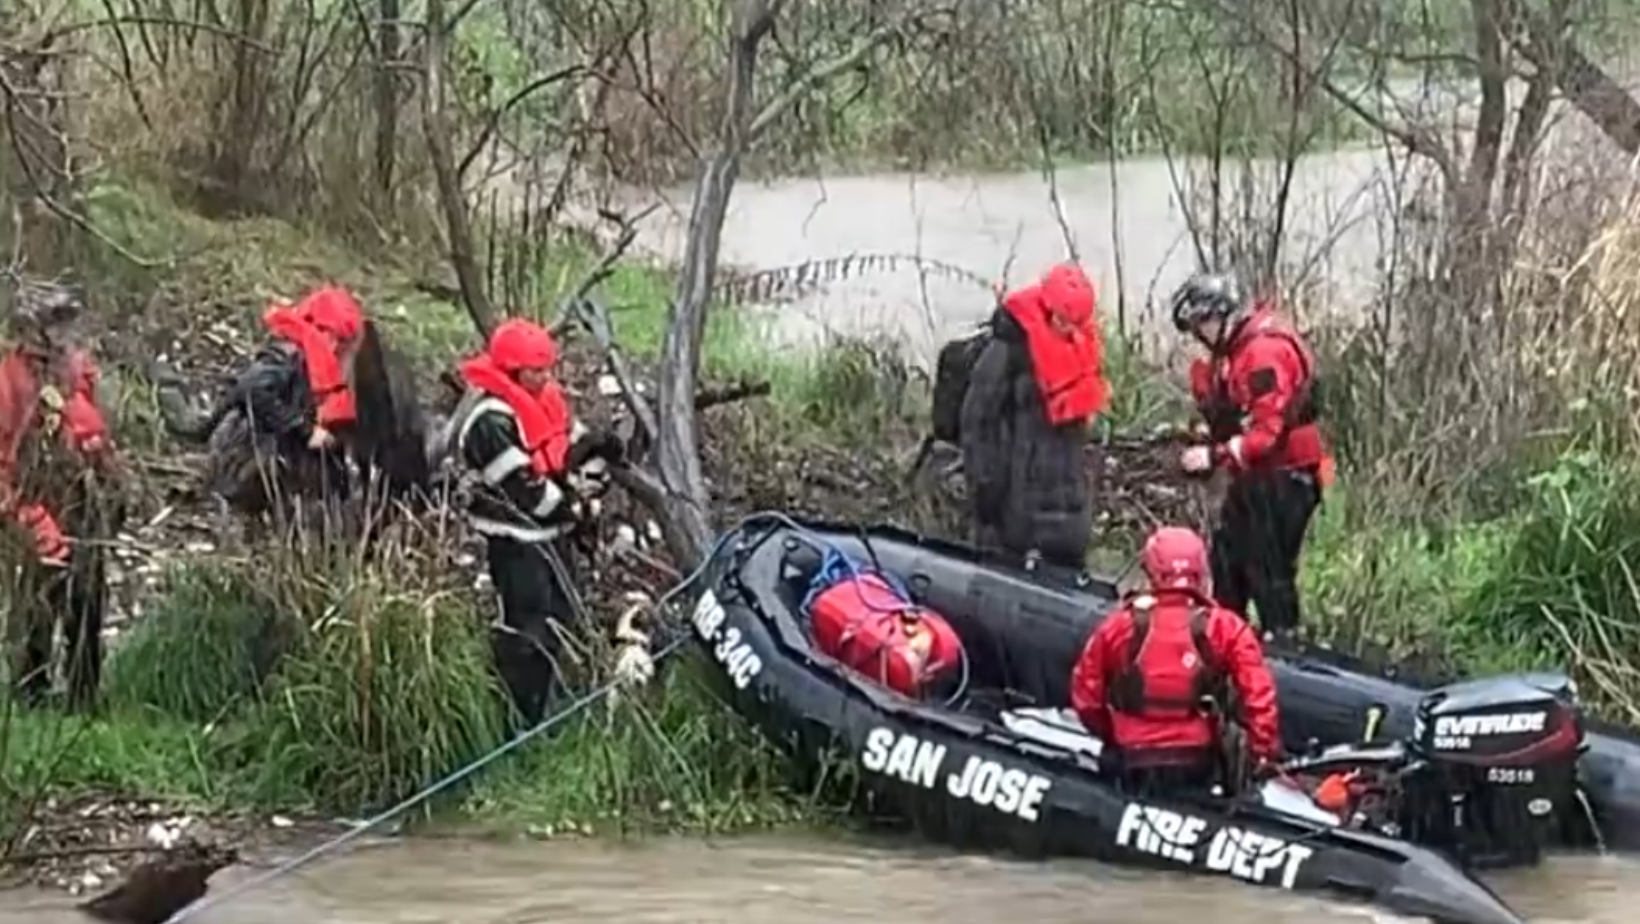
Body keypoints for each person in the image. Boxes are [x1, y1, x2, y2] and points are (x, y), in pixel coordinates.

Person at [452, 318, 623, 726]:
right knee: (526, 630)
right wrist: (578, 510)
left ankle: (543, 706)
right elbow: (526, 492)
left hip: (552, 535)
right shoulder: (490, 423)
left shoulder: (546, 401)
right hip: (516, 540)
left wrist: (597, 464)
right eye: (536, 371)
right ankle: (516, 719)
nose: (546, 377)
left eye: (548, 369)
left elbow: (571, 449)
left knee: (559, 619)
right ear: (513, 370)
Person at [1170, 271, 1331, 637]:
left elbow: (1266, 437)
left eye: (1201, 325)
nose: (1199, 336)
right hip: (1258, 477)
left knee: (1268, 571)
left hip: (1285, 477)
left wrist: (1213, 457)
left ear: (1222, 315)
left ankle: (1285, 651)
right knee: (1228, 565)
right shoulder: (1238, 349)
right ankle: (1228, 645)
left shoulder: (1263, 354)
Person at [1070, 526, 1281, 794]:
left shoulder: (1118, 627)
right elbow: (1260, 697)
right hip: (1196, 763)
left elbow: (1086, 696)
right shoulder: (1226, 628)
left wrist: (1111, 731)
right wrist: (1259, 754)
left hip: (1130, 759)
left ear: (1150, 572)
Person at [0, 278, 123, 710]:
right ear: (34, 329)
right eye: (58, 323)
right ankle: (30, 695)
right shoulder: (9, 381)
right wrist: (27, 517)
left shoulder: (74, 370)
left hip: (83, 497)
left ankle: (83, 697)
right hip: (36, 502)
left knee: (89, 600)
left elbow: (96, 432)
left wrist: (110, 484)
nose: (67, 335)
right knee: (38, 604)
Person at [958, 262, 1109, 569]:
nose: (1071, 331)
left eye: (1076, 324)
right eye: (1064, 322)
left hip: (1066, 491)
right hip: (1017, 494)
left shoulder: (1081, 347)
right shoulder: (1007, 351)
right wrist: (985, 490)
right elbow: (977, 423)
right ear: (1047, 308)